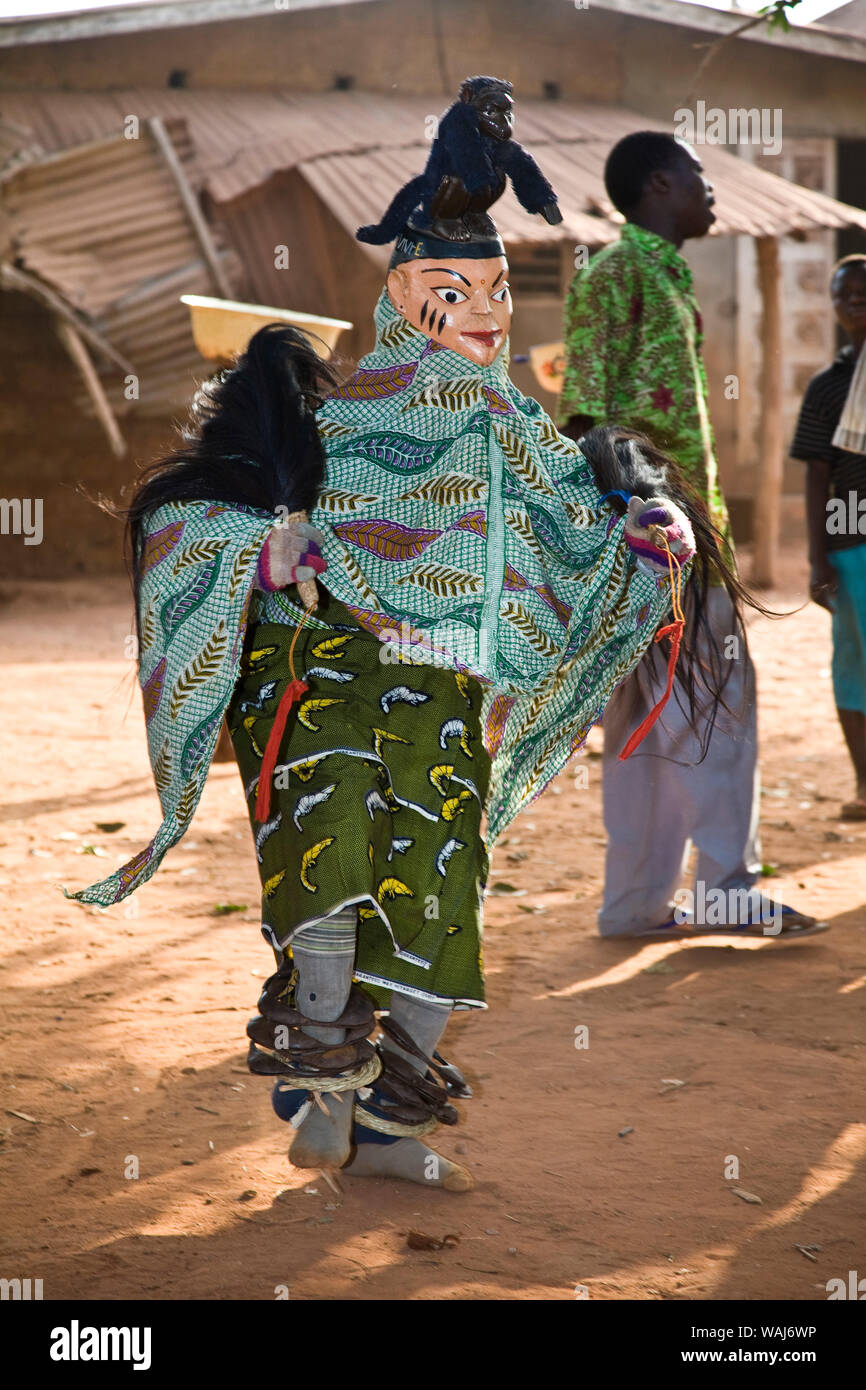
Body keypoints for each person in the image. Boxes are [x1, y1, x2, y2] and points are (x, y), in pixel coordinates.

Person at [67, 85, 746, 1195]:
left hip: (442, 701)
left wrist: (641, 529)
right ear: (398, 296)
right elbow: (198, 522)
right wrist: (265, 549)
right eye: (449, 288)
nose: (481, 312)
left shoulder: (519, 435)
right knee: (327, 873)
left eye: (490, 291)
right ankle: (325, 1091)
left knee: (438, 896)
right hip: (325, 688)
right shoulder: (325, 427)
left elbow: (576, 536)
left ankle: (379, 1122)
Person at [559, 130, 820, 940]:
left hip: (674, 537)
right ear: (661, 184)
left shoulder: (663, 275)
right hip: (655, 542)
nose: (713, 195)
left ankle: (636, 906)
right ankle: (724, 889)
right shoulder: (617, 273)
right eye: (702, 179)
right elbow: (584, 415)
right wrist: (619, 539)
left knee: (648, 721)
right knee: (717, 705)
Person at [792, 254, 866, 819]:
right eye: (845, 294)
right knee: (853, 666)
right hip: (852, 545)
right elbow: (816, 473)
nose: (855, 301)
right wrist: (818, 558)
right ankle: (865, 785)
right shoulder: (827, 387)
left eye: (863, 292)